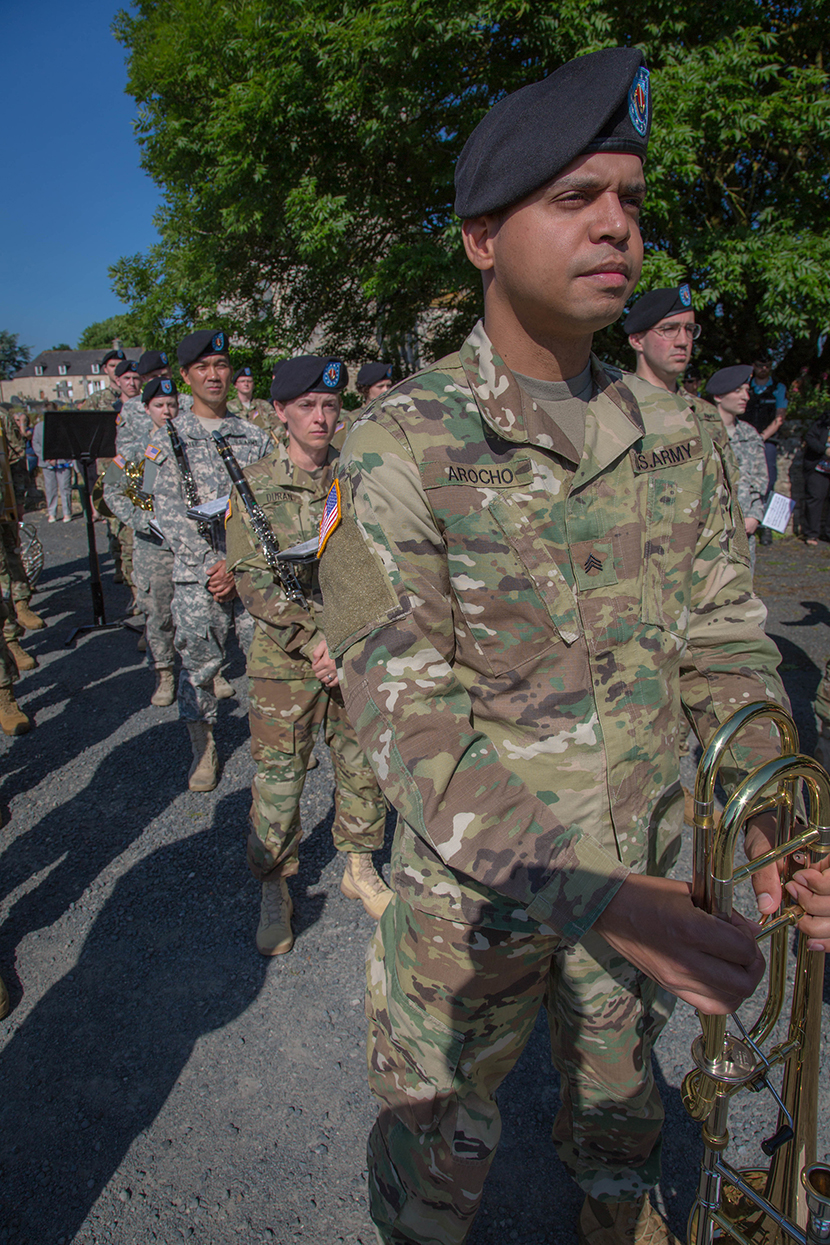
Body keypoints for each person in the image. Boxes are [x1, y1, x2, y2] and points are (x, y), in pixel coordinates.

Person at [317, 48, 830, 1245]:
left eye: (631, 201)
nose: (616, 227)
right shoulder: (398, 444)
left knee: (619, 1109)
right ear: (481, 239)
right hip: (475, 909)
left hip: (648, 863)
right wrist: (600, 899)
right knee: (431, 1154)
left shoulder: (678, 434)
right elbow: (405, 718)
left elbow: (722, 648)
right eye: (573, 197)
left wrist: (775, 821)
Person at [225, 355, 391, 954]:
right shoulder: (252, 484)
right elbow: (252, 580)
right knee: (279, 780)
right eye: (306, 407)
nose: (320, 418)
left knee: (363, 763)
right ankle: (275, 885)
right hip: (285, 662)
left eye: (328, 405)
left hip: (351, 649)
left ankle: (360, 864)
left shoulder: (358, 476)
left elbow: (377, 565)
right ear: (280, 413)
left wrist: (345, 640)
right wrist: (315, 641)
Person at [151, 329, 271, 790]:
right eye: (202, 367)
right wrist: (209, 565)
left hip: (250, 572)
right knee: (199, 661)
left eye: (220, 365)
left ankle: (273, 741)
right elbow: (166, 512)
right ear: (185, 377)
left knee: (266, 659)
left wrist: (237, 560)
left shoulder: (255, 437)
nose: (214, 375)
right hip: (198, 577)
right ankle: (203, 746)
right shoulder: (168, 440)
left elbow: (268, 504)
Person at [103, 377, 180, 706]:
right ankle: (164, 673)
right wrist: (139, 521)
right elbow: (110, 490)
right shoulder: (132, 452)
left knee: (199, 612)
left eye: (172, 405)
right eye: (159, 406)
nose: (167, 411)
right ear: (146, 409)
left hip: (188, 543)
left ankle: (211, 672)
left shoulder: (191, 445)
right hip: (153, 546)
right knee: (158, 612)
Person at [623, 283, 739, 476]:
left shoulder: (706, 414)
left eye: (689, 329)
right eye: (669, 329)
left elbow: (729, 485)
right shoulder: (617, 408)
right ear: (637, 340)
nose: (683, 341)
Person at [704, 365, 769, 569]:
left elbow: (761, 480)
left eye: (747, 390)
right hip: (708, 531)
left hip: (743, 530)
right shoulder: (701, 434)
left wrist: (755, 516)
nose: (746, 397)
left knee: (742, 592)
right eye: (738, 390)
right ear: (719, 396)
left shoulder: (750, 435)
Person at [744, 354, 788, 545]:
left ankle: (767, 526)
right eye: (760, 364)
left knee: (768, 482)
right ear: (754, 365)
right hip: (743, 439)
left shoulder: (778, 388)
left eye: (768, 365)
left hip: (766, 440)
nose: (764, 368)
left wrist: (761, 438)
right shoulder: (746, 385)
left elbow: (779, 418)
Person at [332, 362, 394, 451]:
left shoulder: (395, 415)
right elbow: (337, 452)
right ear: (366, 390)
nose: (386, 390)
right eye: (380, 386)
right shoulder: (352, 420)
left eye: (388, 385)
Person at [32, 419, 73, 522]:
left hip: (63, 461)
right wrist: (47, 457)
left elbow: (68, 442)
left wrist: (57, 456)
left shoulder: (64, 426)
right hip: (47, 463)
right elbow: (36, 443)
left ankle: (67, 513)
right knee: (50, 488)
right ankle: (52, 513)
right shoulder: (39, 427)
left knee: (65, 487)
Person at [801, 406, 830, 546]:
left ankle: (828, 534)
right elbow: (810, 438)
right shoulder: (822, 422)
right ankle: (811, 534)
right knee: (815, 499)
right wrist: (825, 450)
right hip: (818, 468)